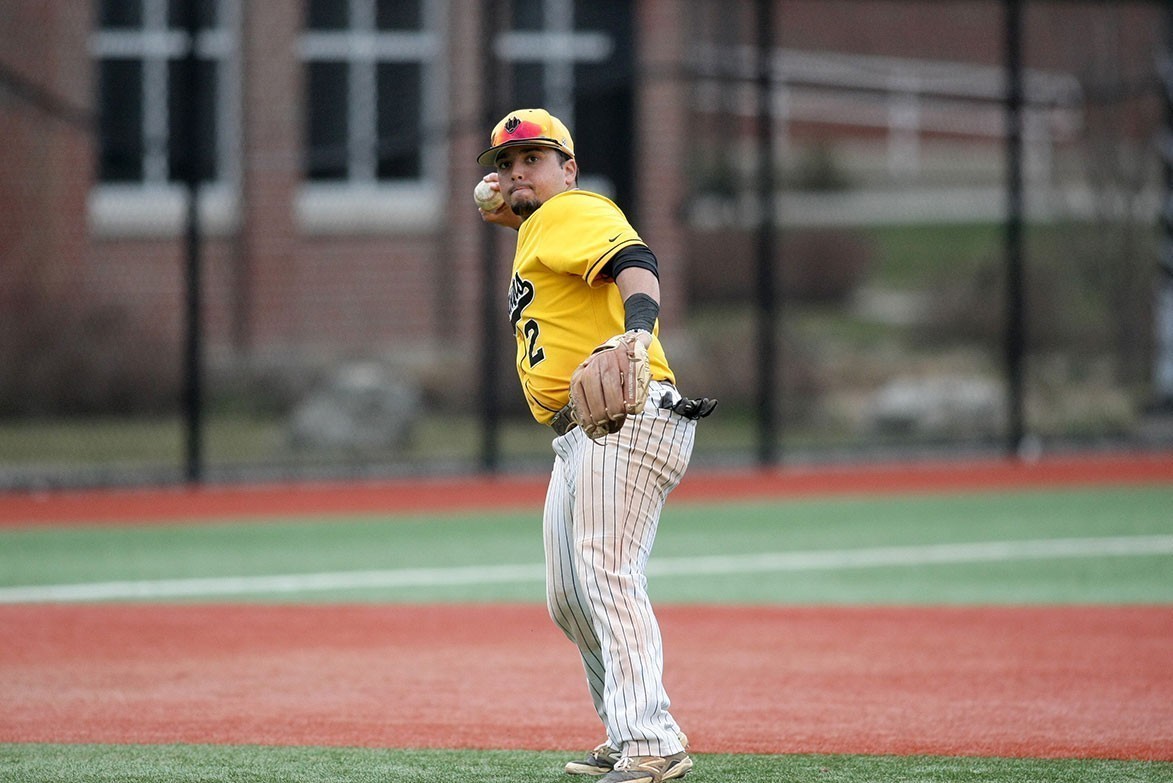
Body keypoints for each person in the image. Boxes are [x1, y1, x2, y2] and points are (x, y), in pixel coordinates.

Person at [476, 108, 715, 783]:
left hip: (625, 418)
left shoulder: (570, 210)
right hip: (578, 432)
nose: (517, 171)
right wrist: (515, 208)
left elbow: (634, 261)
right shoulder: (539, 229)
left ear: (569, 168)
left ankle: (651, 740)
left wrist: (637, 330)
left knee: (605, 572)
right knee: (568, 594)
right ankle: (624, 727)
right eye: (506, 164)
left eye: (534, 159)